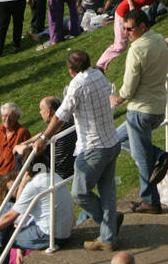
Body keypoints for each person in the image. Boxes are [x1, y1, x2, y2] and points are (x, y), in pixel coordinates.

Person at [41, 49, 121, 252]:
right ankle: (108, 236)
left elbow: (60, 116)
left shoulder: (77, 85)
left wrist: (44, 138)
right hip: (111, 141)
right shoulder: (98, 75)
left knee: (79, 193)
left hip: (93, 148)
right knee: (108, 192)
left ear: (70, 70)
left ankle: (107, 224)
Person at [110, 11, 168, 216]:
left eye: (130, 29)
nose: (126, 33)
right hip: (158, 108)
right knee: (118, 138)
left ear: (143, 27)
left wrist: (117, 99)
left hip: (139, 111)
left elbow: (129, 87)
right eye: (124, 28)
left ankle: (150, 201)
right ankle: (160, 156)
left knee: (143, 157)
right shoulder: (160, 39)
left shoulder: (137, 49)